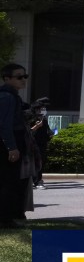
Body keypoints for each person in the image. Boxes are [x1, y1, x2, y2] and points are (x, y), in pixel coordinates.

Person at [0, 64, 31, 228]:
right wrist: (11, 147)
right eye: (19, 77)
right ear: (7, 78)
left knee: (10, 181)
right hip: (8, 145)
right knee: (8, 182)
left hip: (12, 142)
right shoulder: (7, 96)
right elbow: (5, 125)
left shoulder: (12, 96)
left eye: (25, 76)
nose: (23, 80)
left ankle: (7, 217)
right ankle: (5, 219)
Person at [30, 98, 51, 189]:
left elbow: (47, 130)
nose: (43, 110)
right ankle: (36, 181)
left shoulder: (44, 119)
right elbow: (28, 131)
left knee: (40, 163)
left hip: (42, 144)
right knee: (34, 162)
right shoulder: (31, 118)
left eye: (44, 109)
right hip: (33, 144)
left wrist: (50, 134)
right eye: (41, 109)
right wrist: (37, 126)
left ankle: (38, 180)